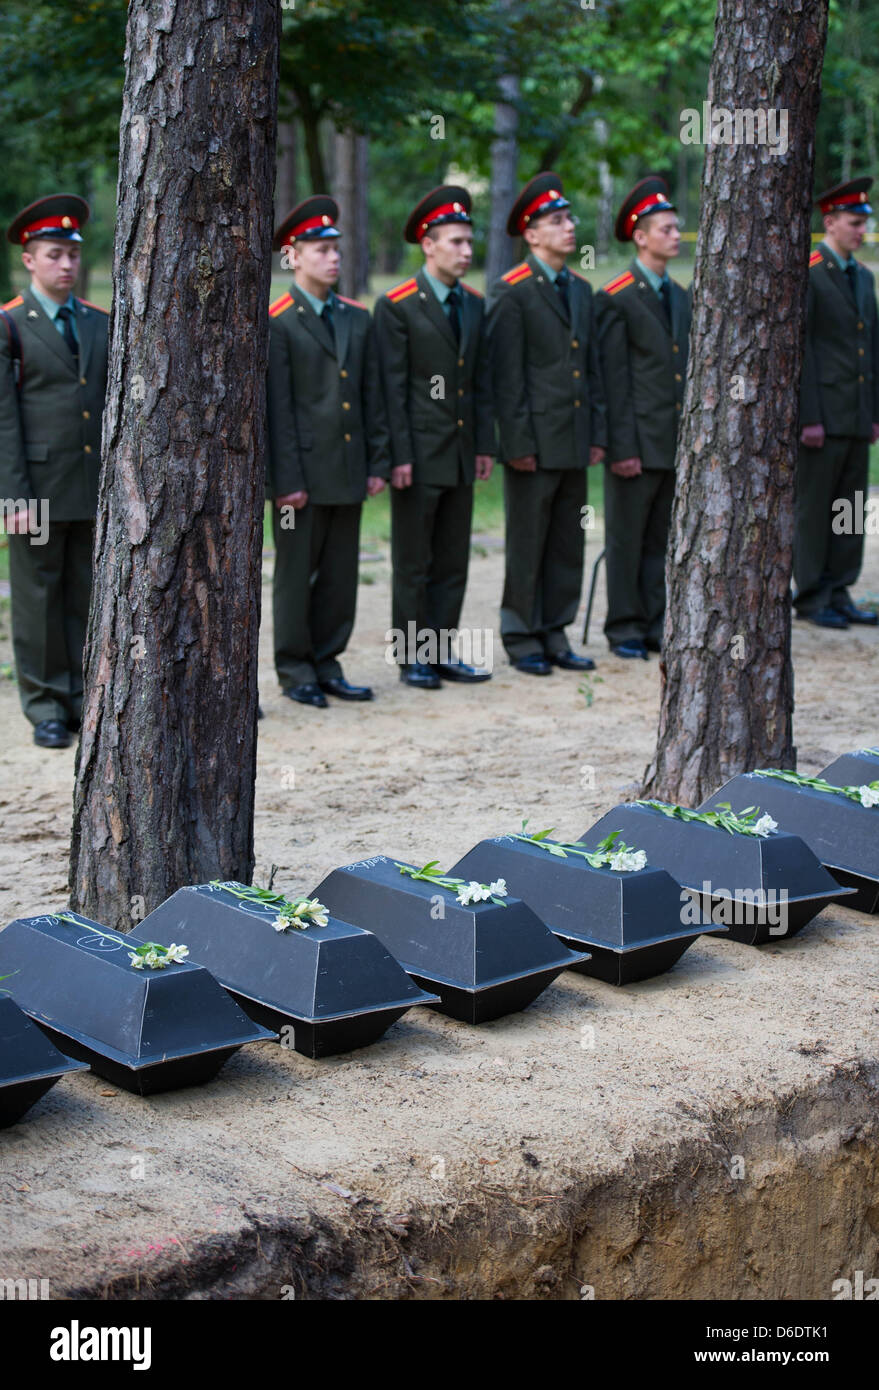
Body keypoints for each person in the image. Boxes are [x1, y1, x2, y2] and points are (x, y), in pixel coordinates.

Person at [266, 195, 390, 708]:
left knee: (340, 575)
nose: (333, 257)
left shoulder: (356, 317)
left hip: (347, 468)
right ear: (292, 257)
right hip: (301, 478)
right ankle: (296, 670)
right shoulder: (277, 320)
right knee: (296, 576)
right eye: (319, 249)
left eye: (336, 248)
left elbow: (373, 395)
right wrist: (286, 480)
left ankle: (328, 661)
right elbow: (278, 410)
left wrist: (378, 461)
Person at [373, 185, 495, 689]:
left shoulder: (472, 304)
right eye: (456, 242)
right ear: (429, 245)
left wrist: (485, 443)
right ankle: (412, 658)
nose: (467, 251)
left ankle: (442, 650)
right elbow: (390, 389)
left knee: (451, 560)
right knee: (414, 562)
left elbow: (480, 382)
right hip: (418, 455)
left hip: (462, 454)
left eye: (469, 242)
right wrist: (397, 455)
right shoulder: (398, 305)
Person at [487, 172, 606, 676]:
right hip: (532, 441)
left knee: (566, 540)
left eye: (569, 218)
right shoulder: (512, 292)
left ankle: (555, 630)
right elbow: (505, 377)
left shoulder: (580, 289)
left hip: (573, 438)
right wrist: (516, 441)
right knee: (528, 540)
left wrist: (597, 433)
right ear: (531, 234)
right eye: (557, 221)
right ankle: (521, 634)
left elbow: (592, 368)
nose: (569, 227)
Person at [0, 194, 108, 749]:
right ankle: (44, 703)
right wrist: (13, 497)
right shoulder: (10, 325)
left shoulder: (99, 322)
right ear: (29, 261)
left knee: (84, 593)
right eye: (53, 254)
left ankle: (81, 697)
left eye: (71, 254)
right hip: (36, 490)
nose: (65, 264)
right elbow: (4, 419)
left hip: (90, 486)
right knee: (38, 599)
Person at [595, 175, 691, 659]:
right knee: (627, 539)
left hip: (673, 440)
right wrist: (622, 446)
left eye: (677, 228)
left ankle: (656, 621)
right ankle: (625, 627)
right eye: (666, 229)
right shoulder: (616, 296)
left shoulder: (681, 295)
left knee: (662, 540)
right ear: (640, 236)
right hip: (635, 441)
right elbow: (613, 381)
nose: (676, 235)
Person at [795, 176, 879, 629]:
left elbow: (873, 348)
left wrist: (875, 413)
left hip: (855, 413)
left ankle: (840, 587)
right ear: (829, 222)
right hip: (822, 417)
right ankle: (811, 594)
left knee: (849, 507)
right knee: (815, 509)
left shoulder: (862, 278)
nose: (861, 232)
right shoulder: (808, 271)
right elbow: (801, 349)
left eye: (863, 223)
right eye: (853, 223)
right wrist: (808, 416)